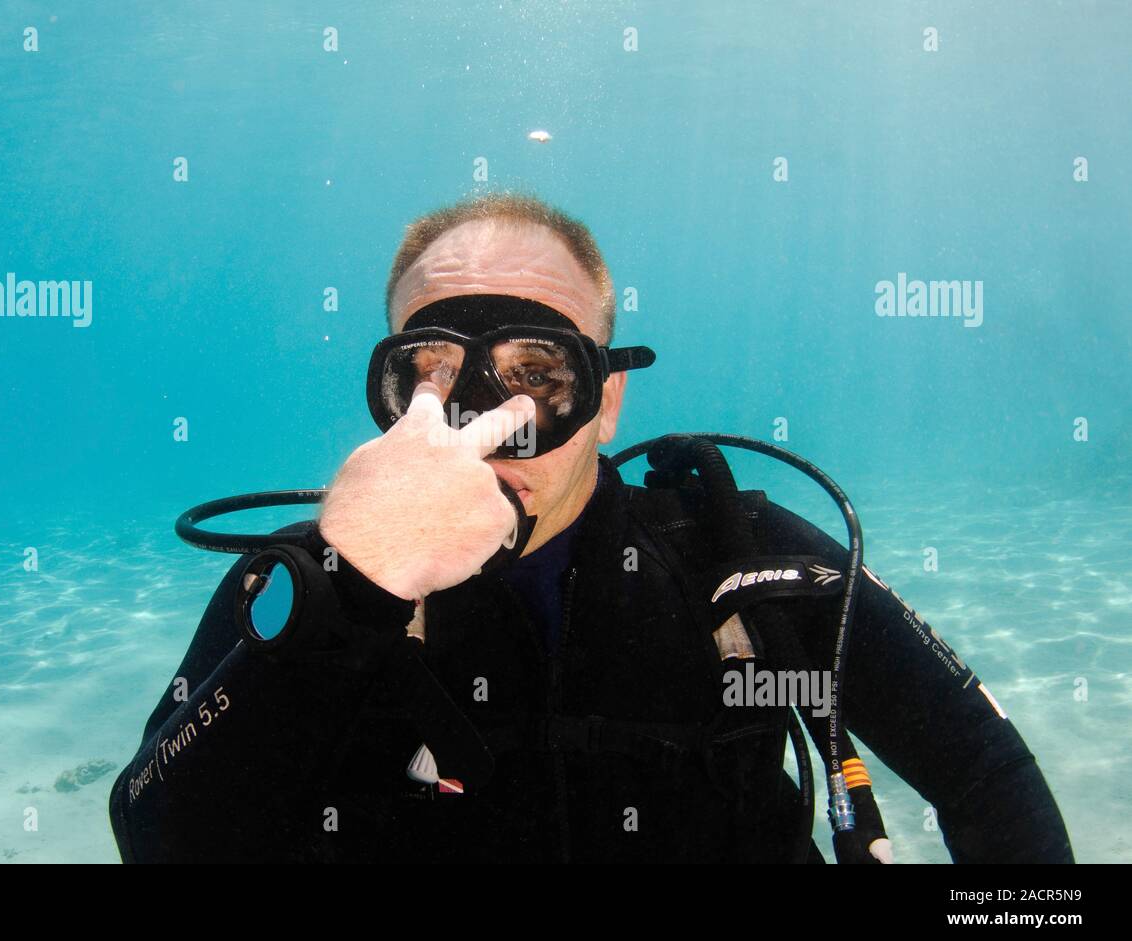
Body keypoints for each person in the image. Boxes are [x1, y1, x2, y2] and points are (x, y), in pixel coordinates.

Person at [108, 192, 1073, 863]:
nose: (488, 421)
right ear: (390, 389)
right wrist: (356, 591)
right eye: (434, 373)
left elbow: (985, 775)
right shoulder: (310, 586)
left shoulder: (741, 565)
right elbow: (158, 836)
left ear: (606, 401)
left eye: (539, 374)